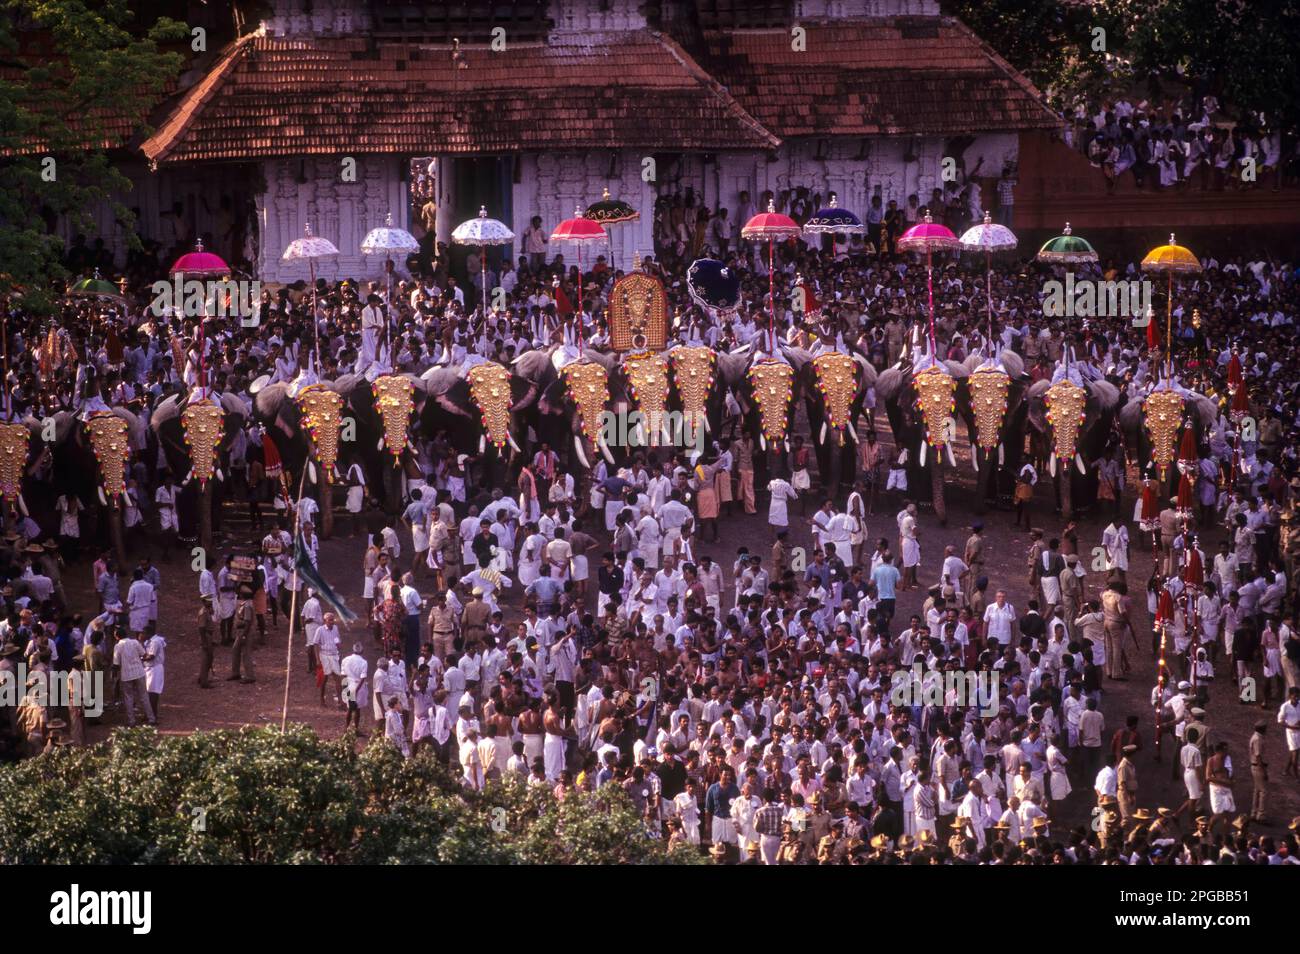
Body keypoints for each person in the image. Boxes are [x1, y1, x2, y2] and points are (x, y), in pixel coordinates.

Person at [113, 630, 155, 727]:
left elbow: (116, 664)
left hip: (126, 675)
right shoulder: (135, 642)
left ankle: (131, 721)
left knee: (128, 698)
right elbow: (144, 655)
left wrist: (115, 675)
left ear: (117, 637)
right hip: (139, 672)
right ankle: (151, 718)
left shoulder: (118, 646)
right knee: (144, 696)